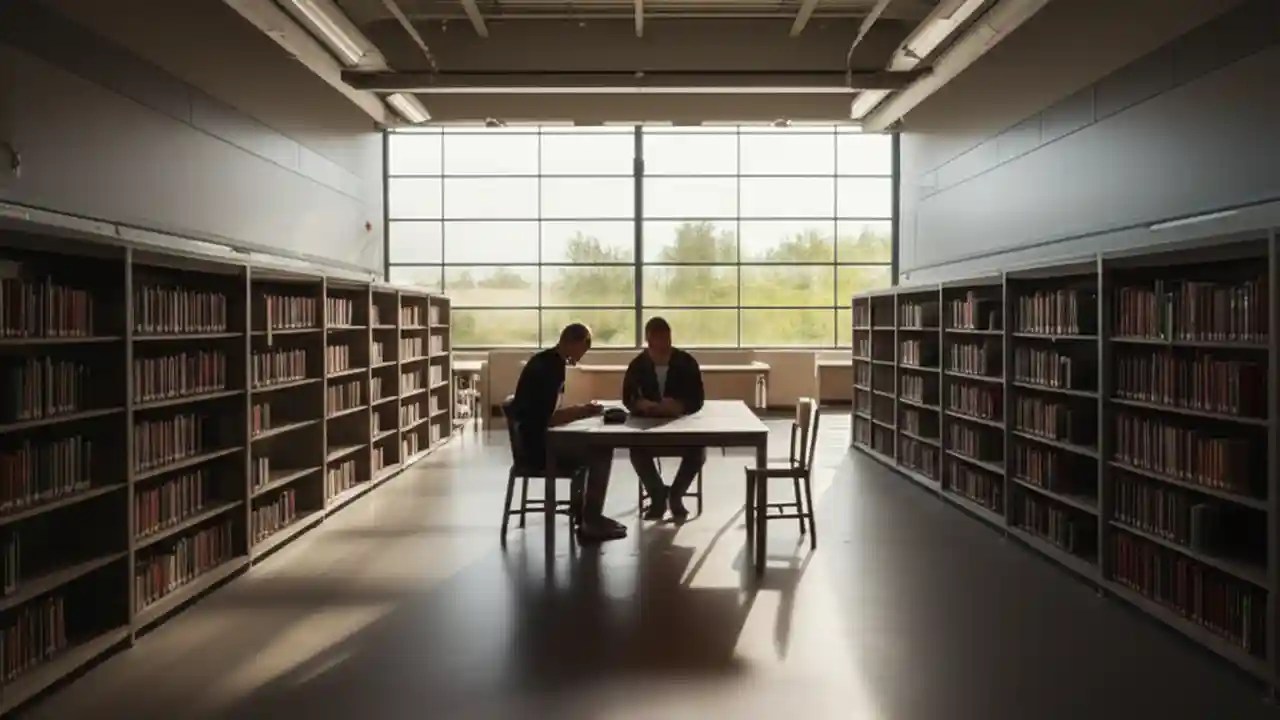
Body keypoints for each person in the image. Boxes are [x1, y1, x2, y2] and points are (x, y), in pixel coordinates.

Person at [509, 323, 625, 542]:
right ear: (573, 343)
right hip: (537, 448)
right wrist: (582, 411)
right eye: (584, 348)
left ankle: (585, 514)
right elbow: (550, 418)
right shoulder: (550, 369)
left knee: (593, 447)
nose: (582, 356)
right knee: (600, 453)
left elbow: (549, 411)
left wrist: (579, 410)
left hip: (531, 439)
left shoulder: (547, 361)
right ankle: (591, 520)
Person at [622, 316, 706, 521]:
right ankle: (658, 495)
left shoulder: (686, 362)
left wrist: (681, 406)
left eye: (665, 339)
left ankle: (676, 495)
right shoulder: (638, 365)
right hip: (649, 429)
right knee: (637, 451)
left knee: (698, 451)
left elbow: (698, 398)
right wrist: (640, 405)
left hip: (681, 428)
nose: (662, 345)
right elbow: (628, 397)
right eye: (657, 340)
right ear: (649, 341)